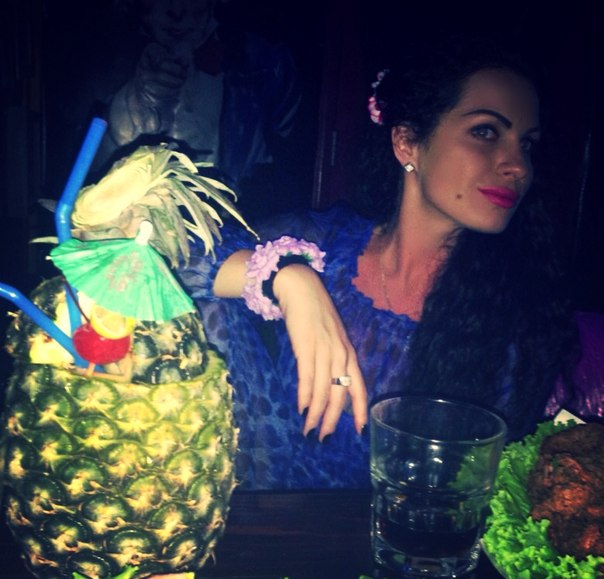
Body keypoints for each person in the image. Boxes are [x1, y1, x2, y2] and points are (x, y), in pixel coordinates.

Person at [177, 36, 588, 490]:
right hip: (263, 520)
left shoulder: (513, 314)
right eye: (486, 132)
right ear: (407, 142)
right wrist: (288, 279)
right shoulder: (323, 244)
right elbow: (161, 254)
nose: (518, 166)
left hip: (399, 533)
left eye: (526, 144)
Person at [94, 0, 300, 194]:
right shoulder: (108, 64)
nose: (176, 11)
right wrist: (140, 100)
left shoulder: (265, 63)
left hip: (234, 210)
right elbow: (96, 169)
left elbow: (286, 145)